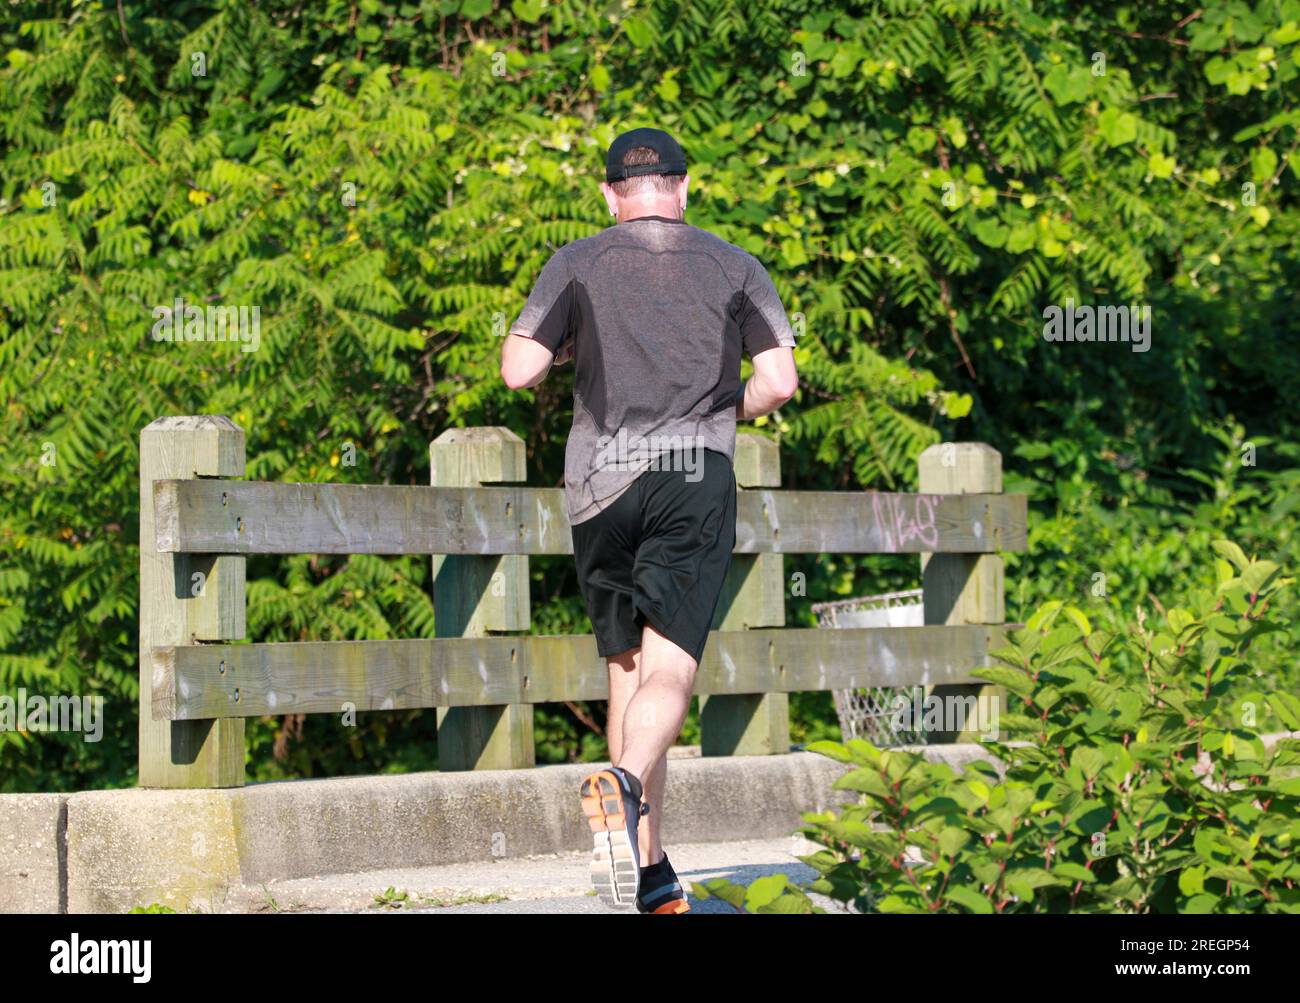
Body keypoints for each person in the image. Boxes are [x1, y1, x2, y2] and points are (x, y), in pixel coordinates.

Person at [500, 127, 798, 913]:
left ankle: (648, 866)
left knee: (626, 671)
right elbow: (780, 380)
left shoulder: (576, 263)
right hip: (692, 477)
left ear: (608, 195)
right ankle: (626, 784)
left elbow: (518, 368)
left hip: (600, 486)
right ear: (684, 187)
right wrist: (722, 407)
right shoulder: (736, 266)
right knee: (669, 673)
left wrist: (565, 347)